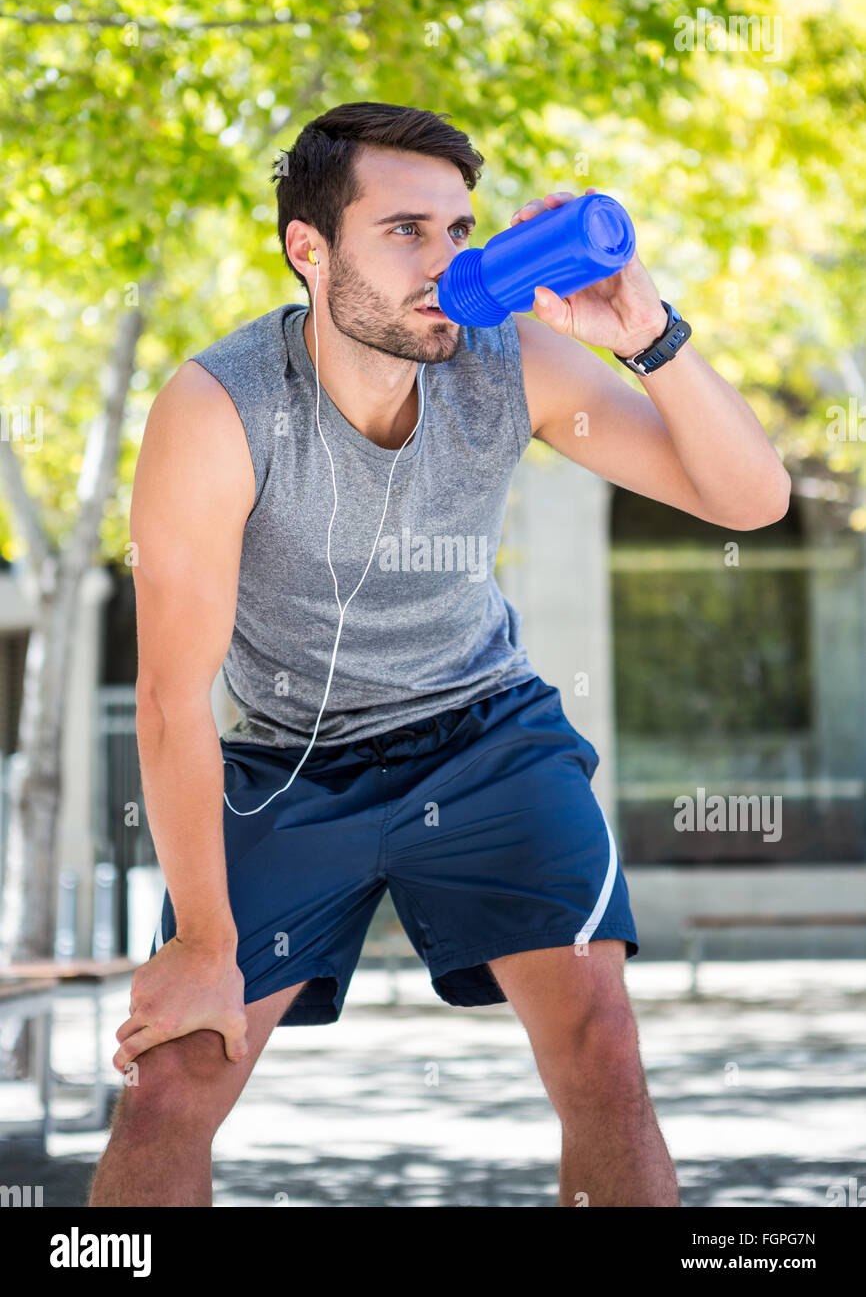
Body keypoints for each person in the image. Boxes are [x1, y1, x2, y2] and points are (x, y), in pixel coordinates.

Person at [88, 102, 790, 1208]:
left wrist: (647, 332)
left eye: (459, 230)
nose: (446, 262)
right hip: (287, 768)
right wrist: (204, 939)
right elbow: (173, 698)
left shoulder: (508, 361)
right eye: (406, 231)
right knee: (174, 1079)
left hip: (485, 745)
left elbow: (750, 499)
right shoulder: (217, 407)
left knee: (602, 1044)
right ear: (307, 250)